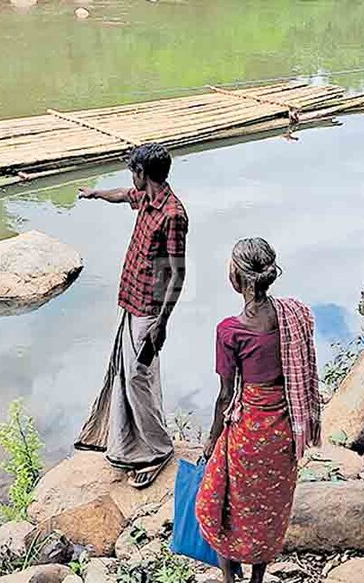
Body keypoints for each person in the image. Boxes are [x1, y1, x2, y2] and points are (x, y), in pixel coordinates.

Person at [195, 238, 321, 583]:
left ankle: (227, 578)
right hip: (283, 432)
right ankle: (256, 579)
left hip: (248, 432)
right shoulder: (294, 314)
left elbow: (224, 397)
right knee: (269, 510)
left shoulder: (230, 330)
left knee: (221, 502)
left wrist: (211, 441)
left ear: (236, 278)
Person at [73, 142, 188, 489]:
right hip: (132, 301)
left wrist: (162, 324)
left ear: (143, 174)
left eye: (132, 172)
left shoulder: (173, 214)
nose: (130, 180)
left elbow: (178, 273)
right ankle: (130, 446)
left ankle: (156, 450)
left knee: (138, 378)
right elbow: (123, 196)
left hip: (150, 310)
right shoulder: (147, 199)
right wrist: (95, 194)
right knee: (132, 377)